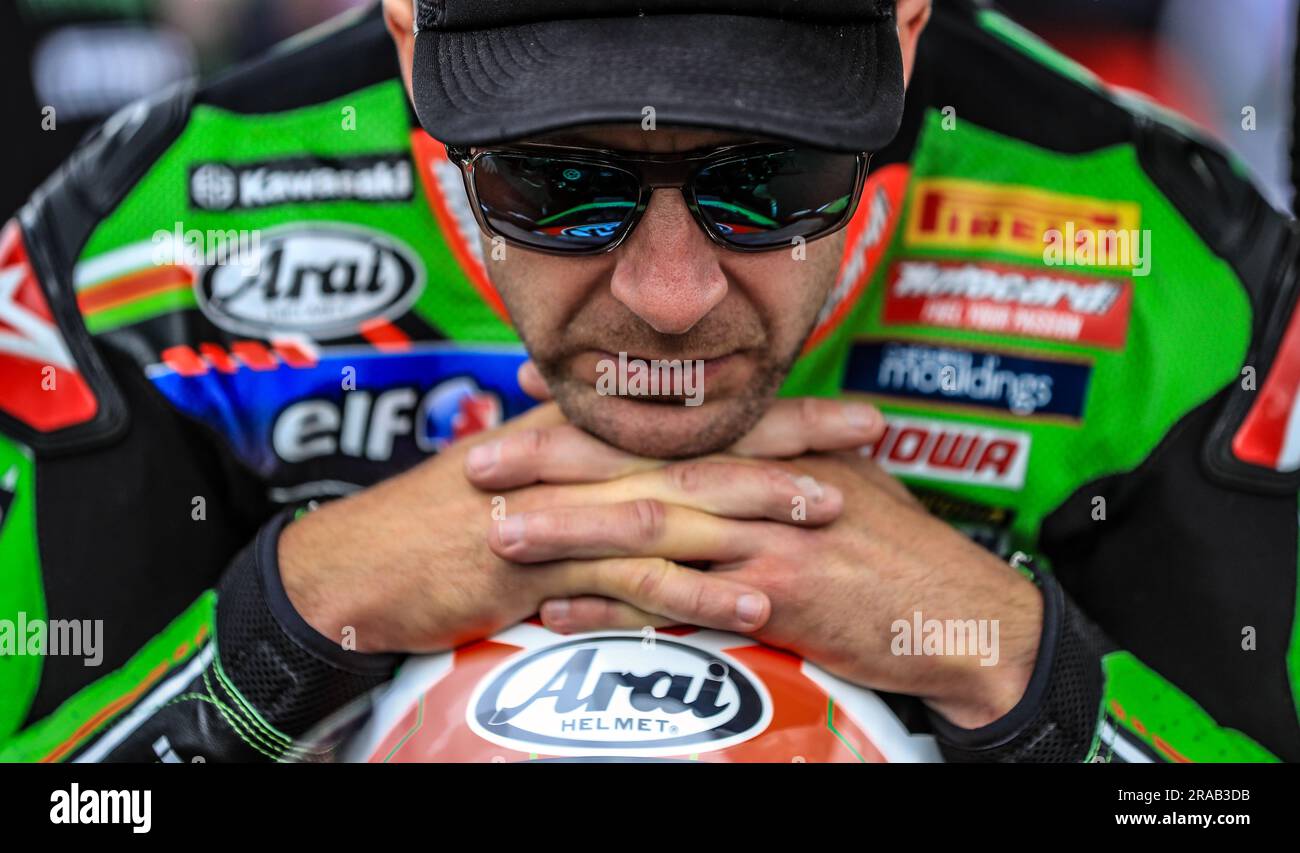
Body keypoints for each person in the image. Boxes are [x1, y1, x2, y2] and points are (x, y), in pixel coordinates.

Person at [0, 0, 1294, 764]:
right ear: (409, 43)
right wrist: (288, 613)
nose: (668, 294)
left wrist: (1019, 667)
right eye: (556, 182)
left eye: (768, 181)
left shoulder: (1171, 272)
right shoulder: (145, 249)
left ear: (902, 39)